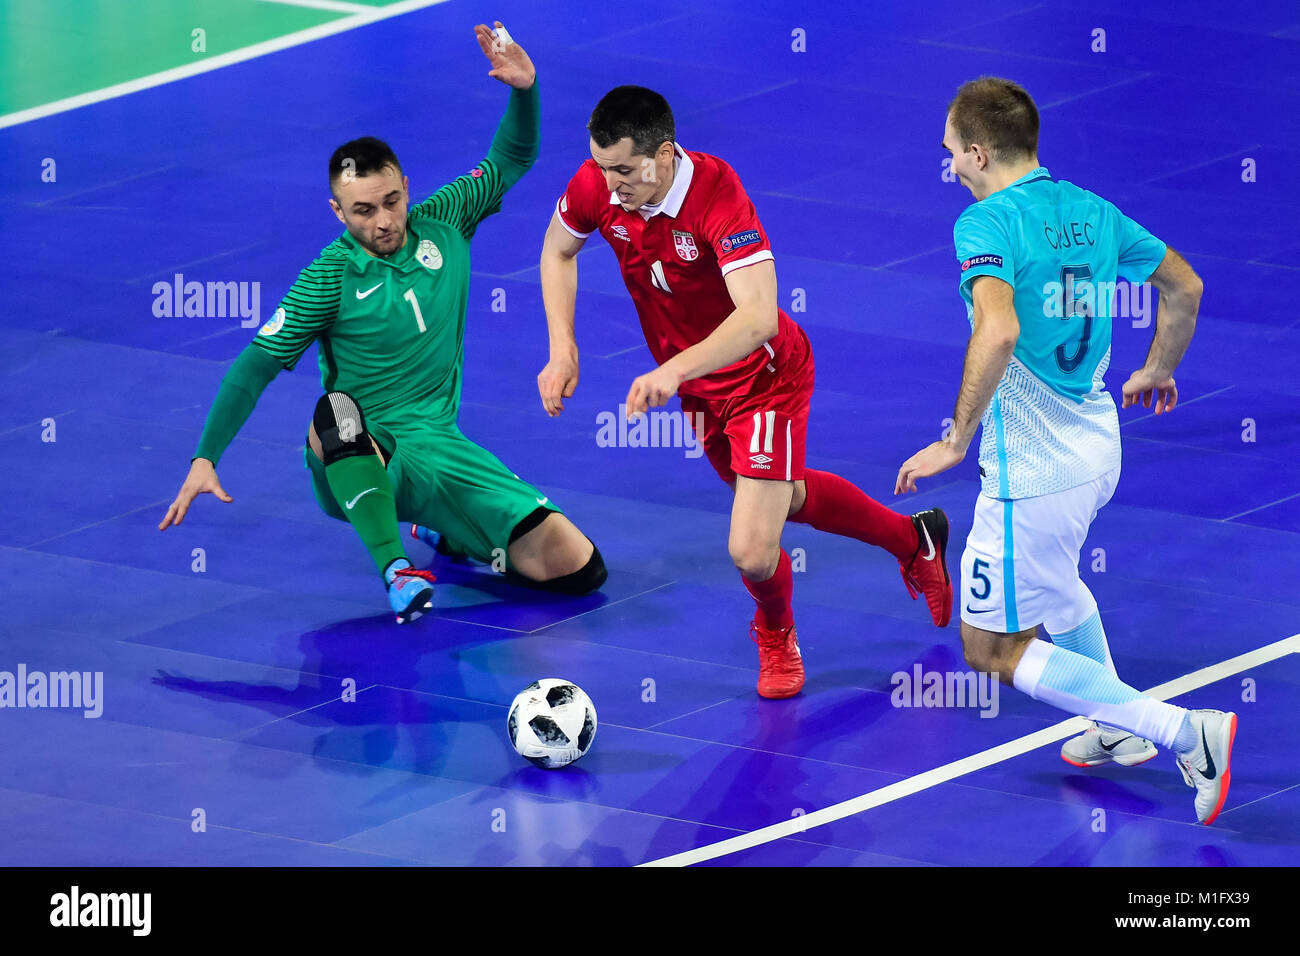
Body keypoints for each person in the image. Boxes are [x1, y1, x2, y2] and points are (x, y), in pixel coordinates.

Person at [160, 23, 606, 625]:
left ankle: (448, 527)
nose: (384, 221)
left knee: (578, 570)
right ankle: (396, 570)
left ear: (406, 188)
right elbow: (253, 367)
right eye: (363, 210)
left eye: (392, 201)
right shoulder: (327, 278)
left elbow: (511, 159)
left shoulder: (446, 219)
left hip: (440, 447)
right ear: (338, 211)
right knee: (336, 411)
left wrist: (524, 92)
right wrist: (205, 456)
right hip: (360, 452)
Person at [538, 86, 953, 699]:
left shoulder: (716, 194)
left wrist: (672, 371)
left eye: (624, 170)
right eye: (602, 168)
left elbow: (758, 316)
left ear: (664, 154)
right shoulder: (600, 183)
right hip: (699, 386)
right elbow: (557, 250)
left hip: (764, 378)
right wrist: (563, 347)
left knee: (752, 550)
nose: (611, 185)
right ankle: (912, 540)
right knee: (781, 498)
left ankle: (776, 634)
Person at [896, 76, 1233, 824]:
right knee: (1056, 584)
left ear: (979, 153)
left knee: (988, 648)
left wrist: (955, 440)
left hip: (1034, 471)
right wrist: (1160, 368)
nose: (948, 163)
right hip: (1095, 446)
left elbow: (999, 331)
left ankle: (1186, 732)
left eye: (951, 151)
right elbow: (1185, 287)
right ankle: (1116, 730)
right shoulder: (1092, 209)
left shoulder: (985, 224)